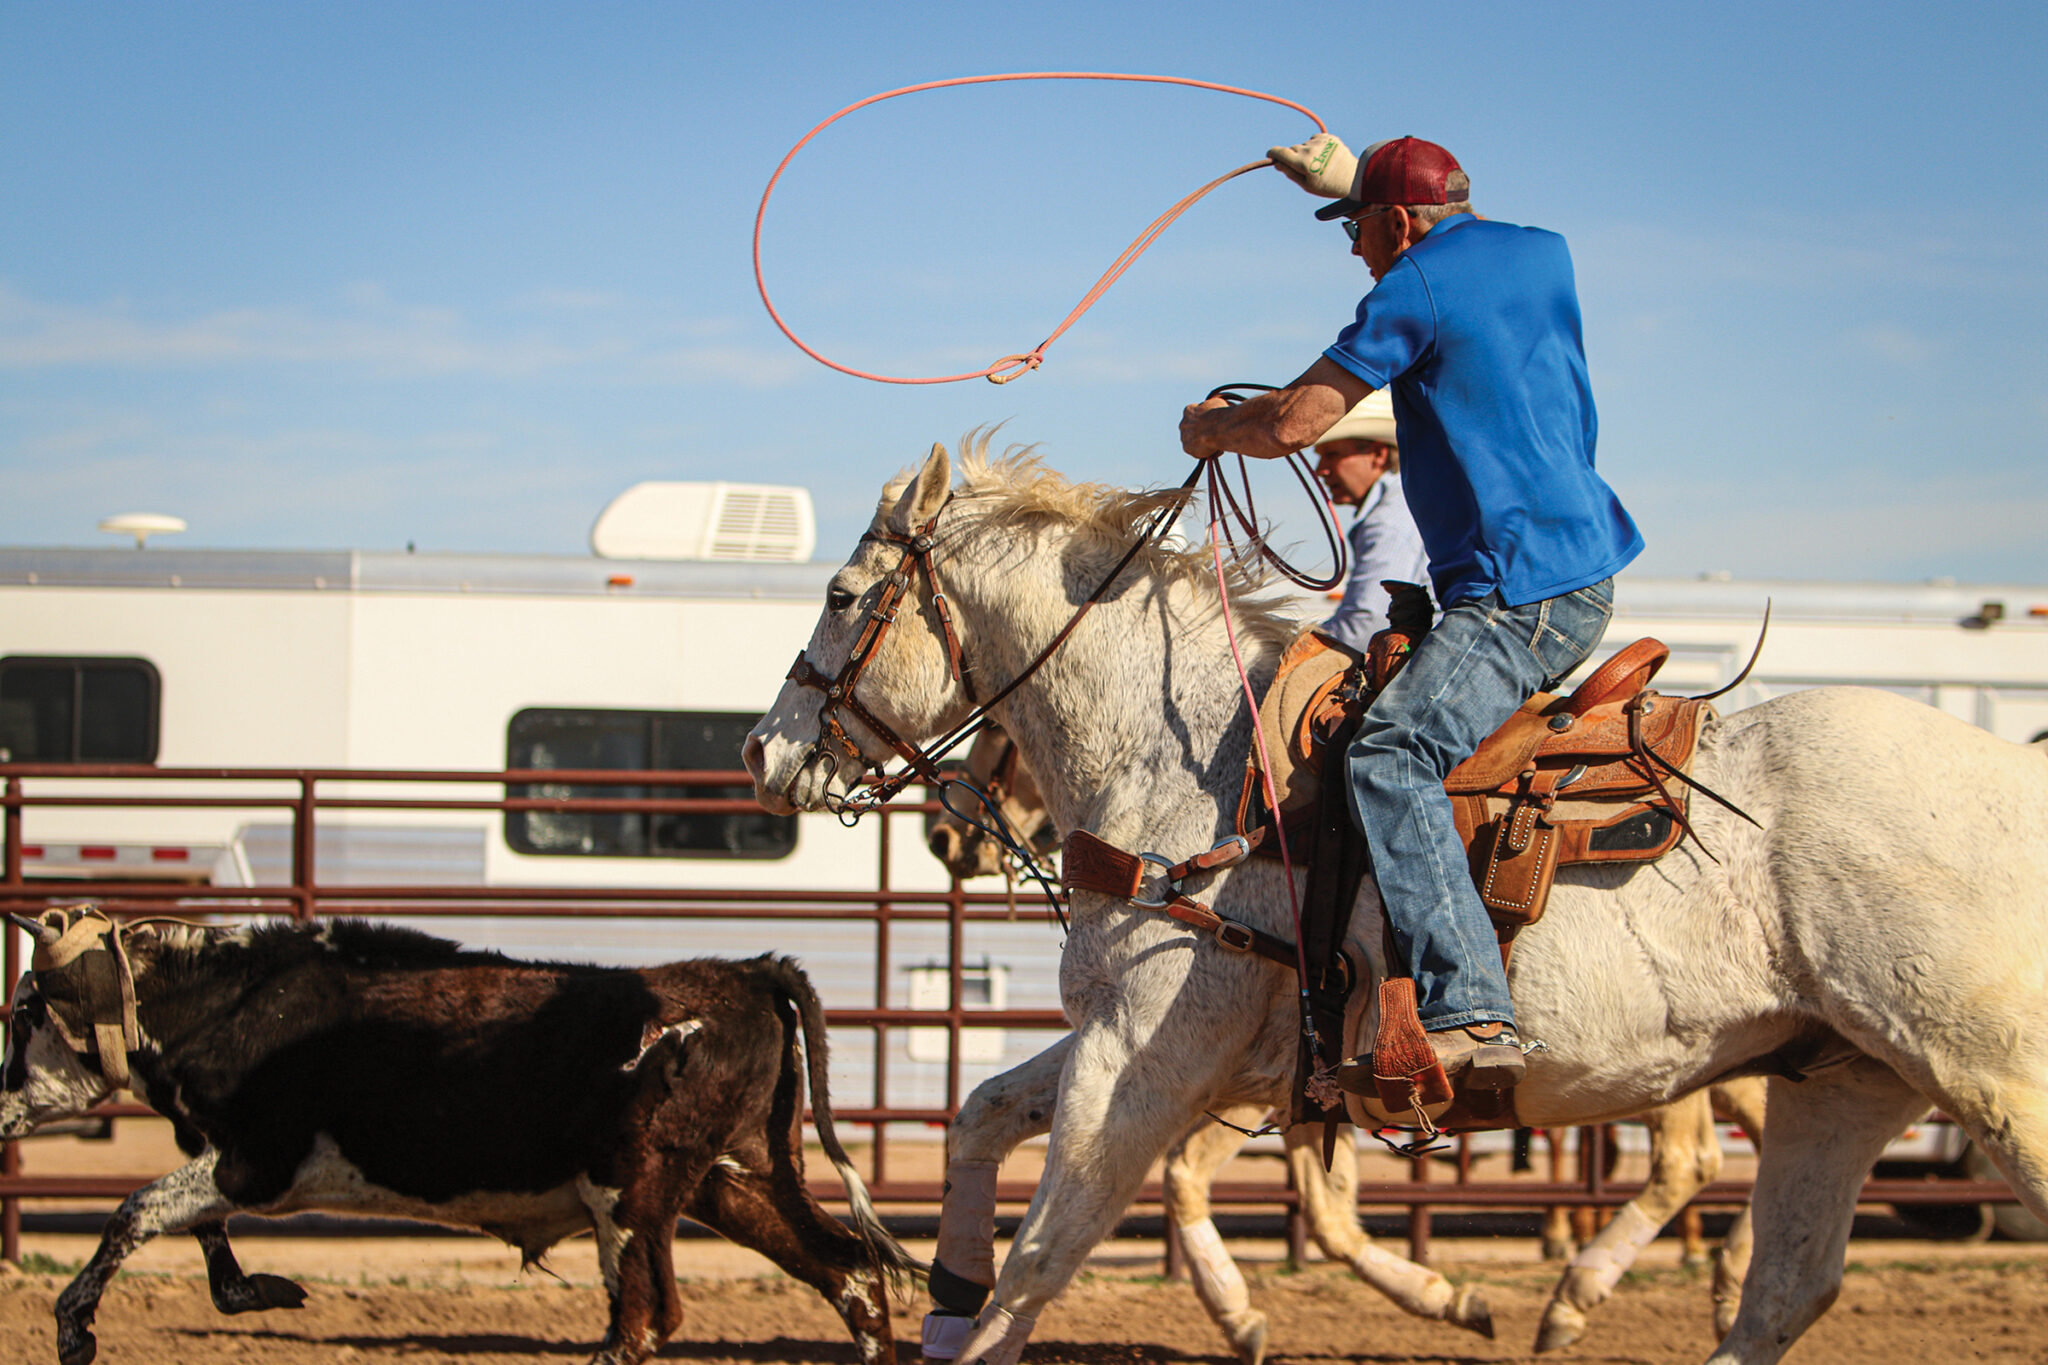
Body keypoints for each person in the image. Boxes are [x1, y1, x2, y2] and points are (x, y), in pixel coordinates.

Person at [1178, 135, 1642, 1089]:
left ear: (1393, 224)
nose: (1353, 251)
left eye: (1356, 229)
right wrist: (1360, 184)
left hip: (1520, 590)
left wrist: (1212, 430)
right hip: (1575, 560)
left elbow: (1300, 419)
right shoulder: (1539, 250)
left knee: (1389, 754)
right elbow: (1442, 236)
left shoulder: (1411, 288)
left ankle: (1469, 1005)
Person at [1312, 389, 1433, 651]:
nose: (1320, 470)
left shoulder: (1388, 520)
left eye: (1332, 454)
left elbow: (1366, 623)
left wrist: (1296, 649)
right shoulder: (1407, 500)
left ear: (1378, 455)